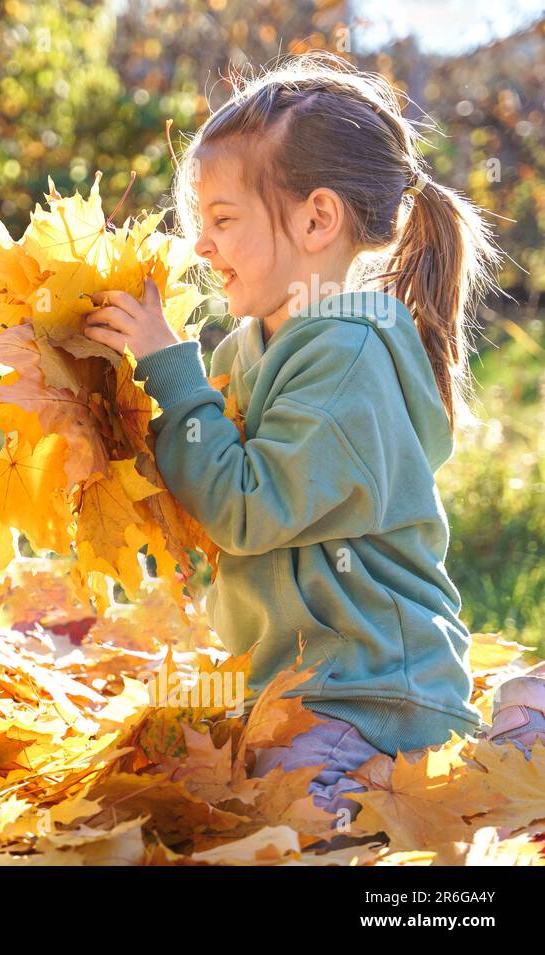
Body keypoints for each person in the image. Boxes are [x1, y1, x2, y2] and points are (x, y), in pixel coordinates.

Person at [82, 52, 545, 822]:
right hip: (289, 681)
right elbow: (201, 472)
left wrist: (170, 369)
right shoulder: (249, 347)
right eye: (201, 225)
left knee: (294, 823)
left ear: (317, 219)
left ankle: (519, 741)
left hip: (368, 689)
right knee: (180, 780)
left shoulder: (348, 356)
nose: (202, 245)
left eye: (223, 220)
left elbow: (245, 508)